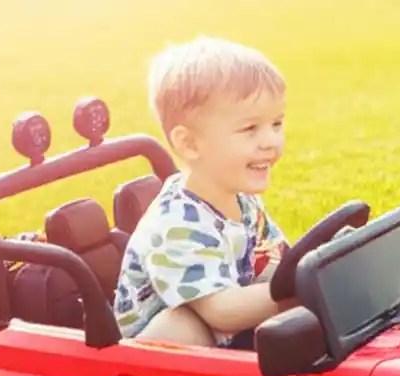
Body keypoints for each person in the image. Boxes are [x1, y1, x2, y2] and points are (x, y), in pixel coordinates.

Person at [113, 36, 294, 348]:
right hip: (146, 366)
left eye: (276, 124)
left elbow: (275, 262)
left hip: (223, 334)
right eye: (250, 129)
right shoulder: (175, 225)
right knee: (182, 326)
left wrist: (321, 262)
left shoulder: (241, 199)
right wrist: (300, 291)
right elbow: (222, 311)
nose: (271, 141)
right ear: (190, 144)